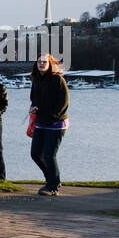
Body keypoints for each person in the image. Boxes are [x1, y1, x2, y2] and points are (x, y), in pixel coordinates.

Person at [29, 53, 69, 196]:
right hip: (41, 122)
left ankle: (52, 187)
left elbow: (64, 102)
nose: (41, 63)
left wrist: (53, 117)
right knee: (35, 154)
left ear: (50, 63)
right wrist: (33, 108)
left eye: (44, 62)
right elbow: (34, 99)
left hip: (56, 123)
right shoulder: (36, 80)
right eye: (39, 61)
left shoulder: (58, 80)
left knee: (49, 155)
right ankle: (52, 179)